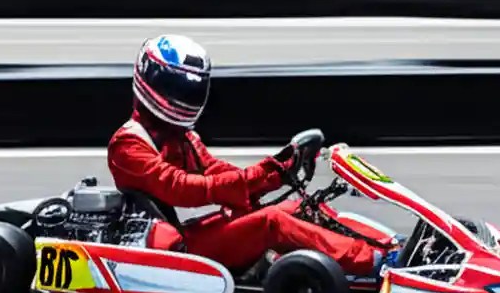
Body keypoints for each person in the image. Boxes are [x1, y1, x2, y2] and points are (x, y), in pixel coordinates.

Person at [106, 34, 403, 280]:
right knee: (272, 222)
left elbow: (218, 174)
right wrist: (260, 174)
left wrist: (278, 171)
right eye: (179, 89)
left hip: (201, 229)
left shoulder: (182, 137)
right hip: (177, 248)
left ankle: (387, 246)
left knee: (297, 206)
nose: (186, 98)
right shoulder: (128, 144)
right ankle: (373, 262)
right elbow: (182, 188)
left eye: (193, 90)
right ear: (151, 81)